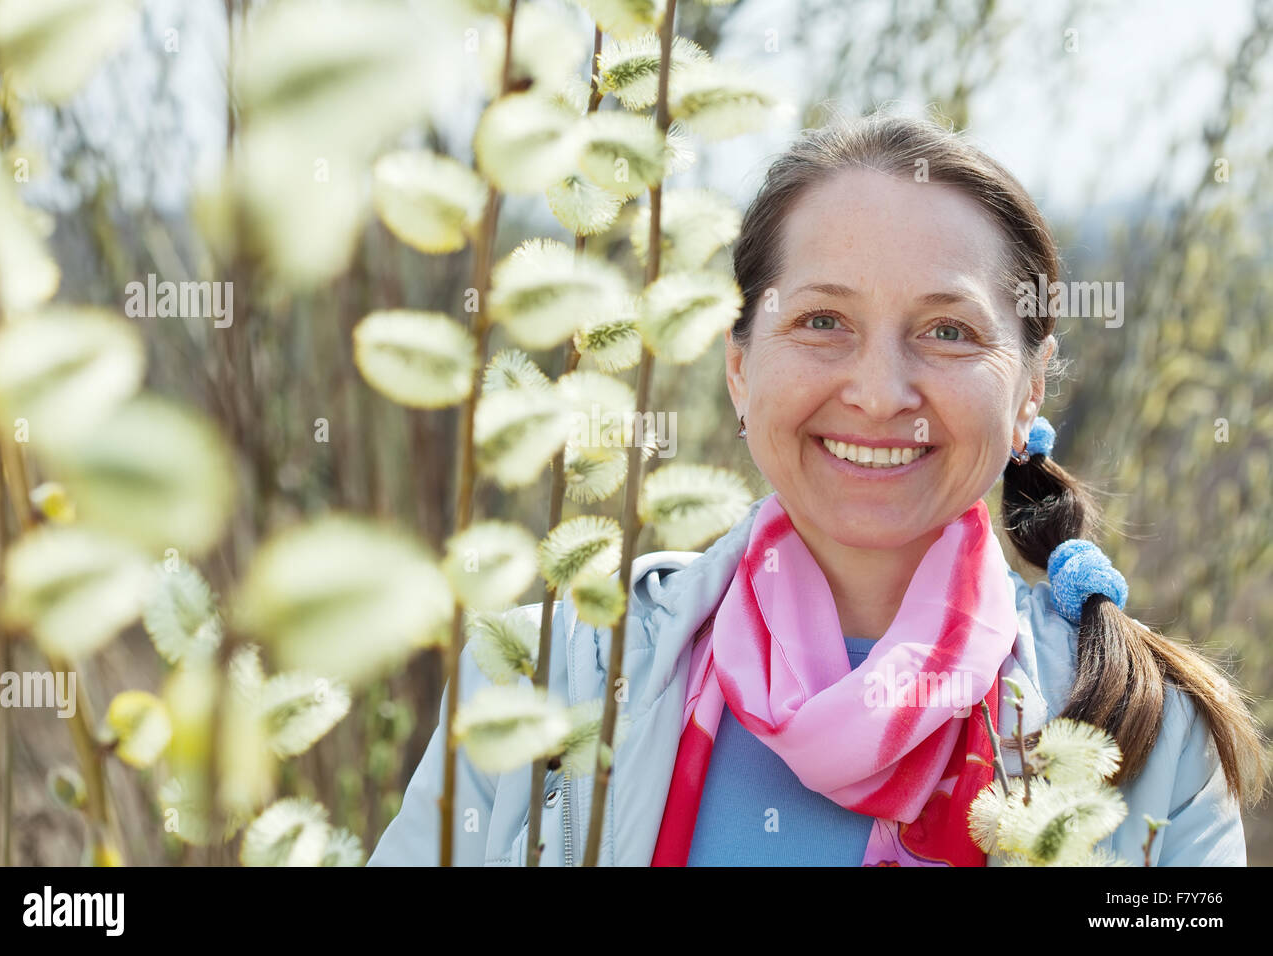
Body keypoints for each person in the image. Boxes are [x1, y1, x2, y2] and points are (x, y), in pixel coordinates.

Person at [367, 111, 1266, 867]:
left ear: (1032, 384)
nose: (879, 393)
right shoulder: (544, 679)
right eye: (822, 321)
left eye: (949, 332)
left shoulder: (1143, 728)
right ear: (738, 368)